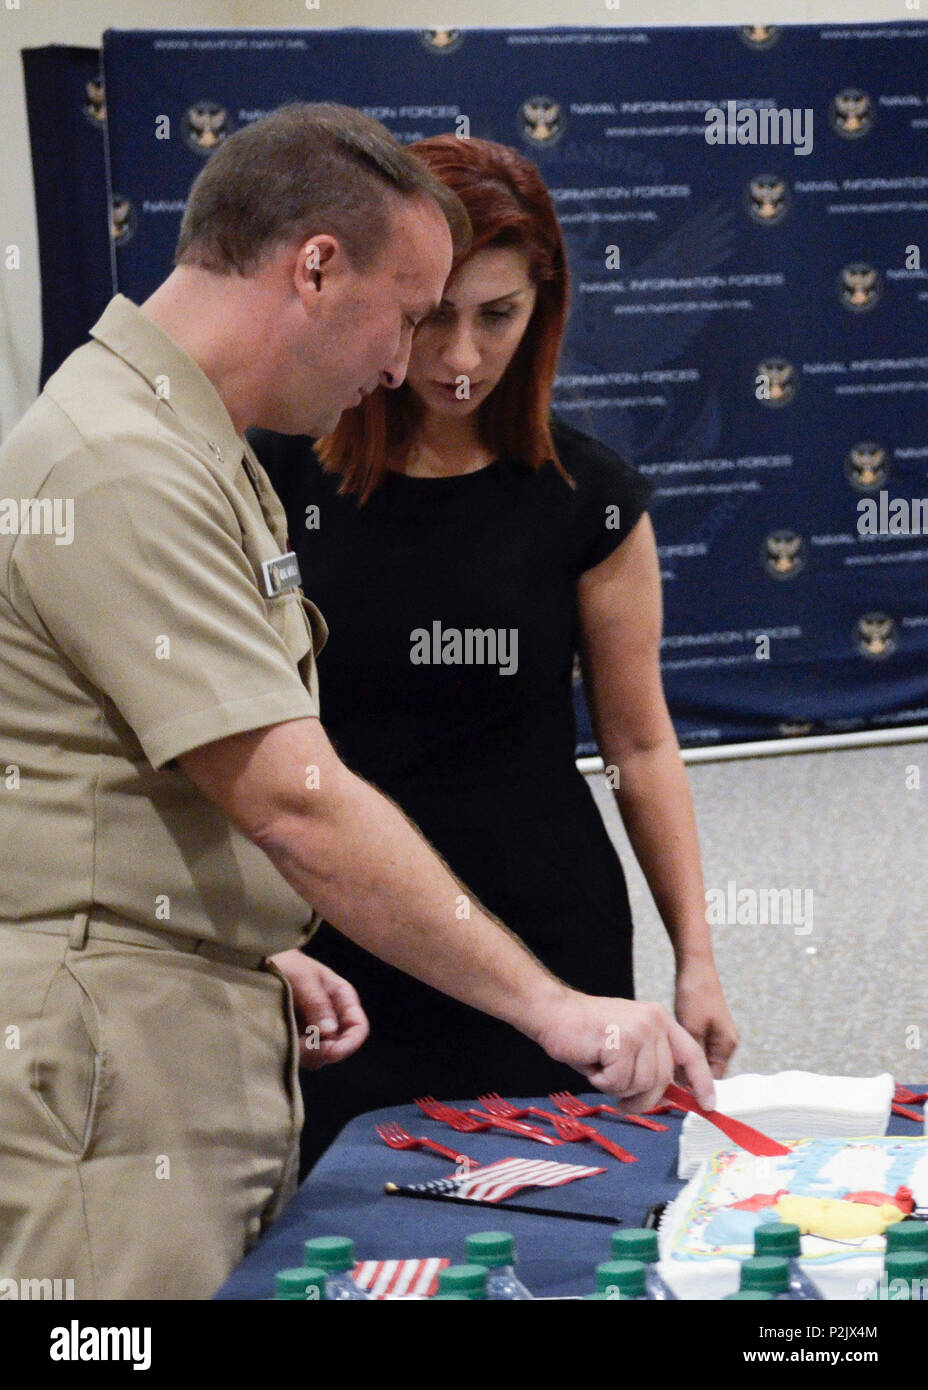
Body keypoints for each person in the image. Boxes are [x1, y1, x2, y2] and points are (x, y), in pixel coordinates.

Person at [0, 102, 713, 1301]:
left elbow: (121, 763)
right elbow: (297, 798)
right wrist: (547, 1004)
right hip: (119, 1048)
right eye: (408, 314)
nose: (411, 362)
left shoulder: (189, 444)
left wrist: (240, 935)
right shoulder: (122, 463)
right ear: (317, 268)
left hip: (203, 1004)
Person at [250, 134, 738, 1173]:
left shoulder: (589, 496)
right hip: (343, 928)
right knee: (348, 1230)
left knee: (559, 1218)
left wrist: (697, 958)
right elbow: (228, 747)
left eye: (498, 316)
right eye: (431, 318)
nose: (461, 359)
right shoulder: (279, 476)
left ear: (544, 310)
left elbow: (641, 745)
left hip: (542, 930)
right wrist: (256, 936)